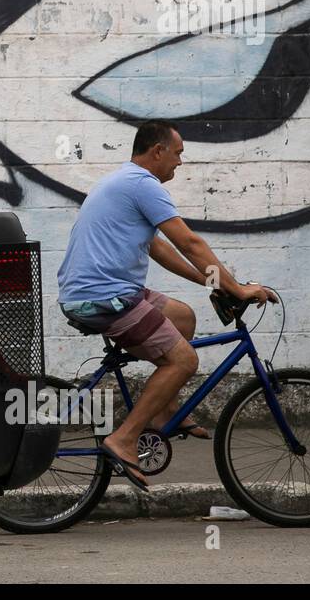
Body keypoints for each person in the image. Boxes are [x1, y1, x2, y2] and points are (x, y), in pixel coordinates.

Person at [56, 119, 278, 489]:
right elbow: (189, 243)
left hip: (103, 291)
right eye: (177, 154)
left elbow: (159, 248)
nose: (180, 162)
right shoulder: (143, 185)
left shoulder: (123, 182)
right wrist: (237, 289)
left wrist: (215, 284)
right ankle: (124, 438)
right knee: (184, 360)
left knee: (182, 318)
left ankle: (165, 410)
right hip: (103, 297)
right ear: (157, 151)